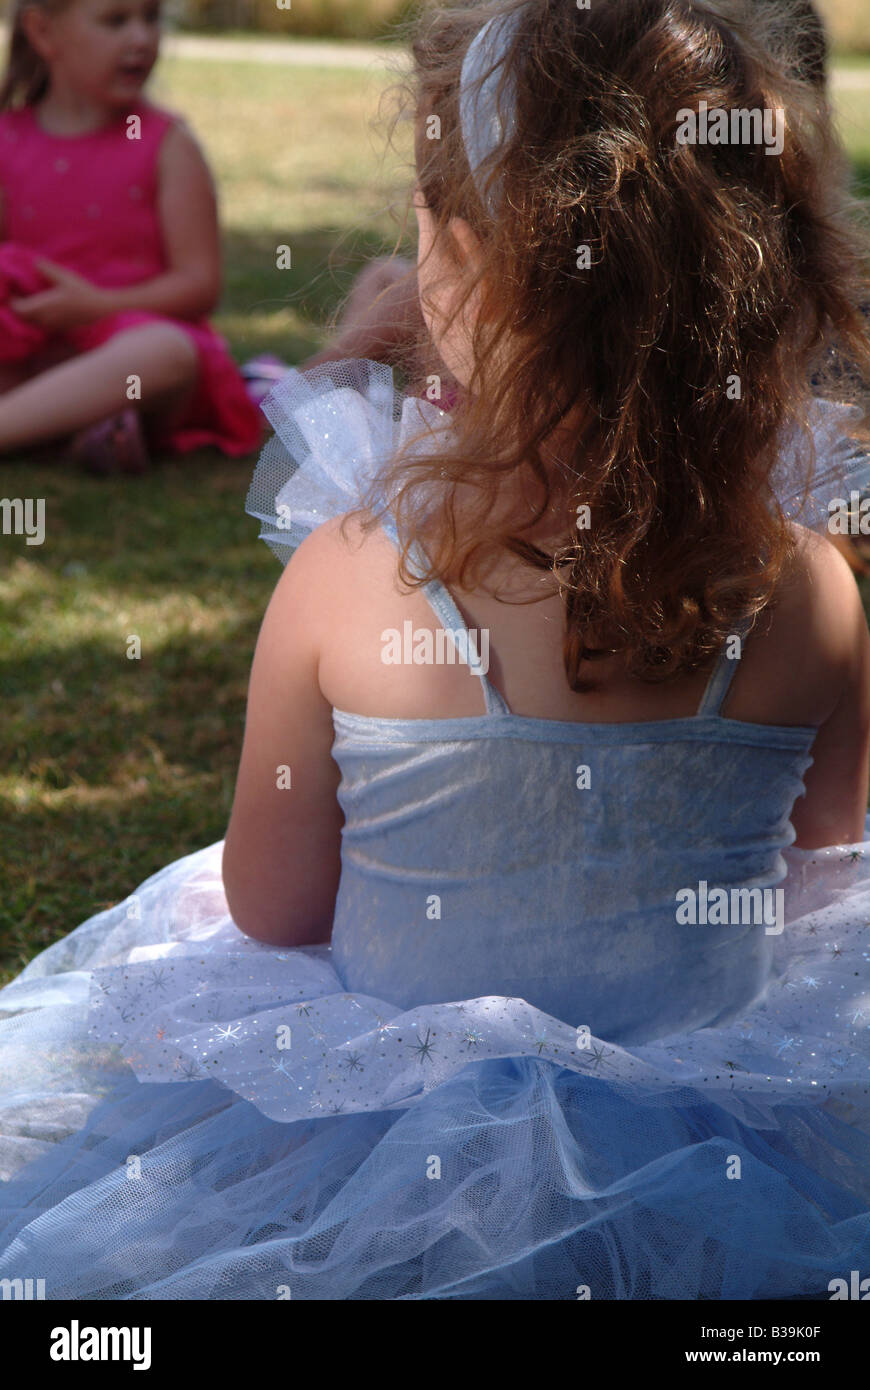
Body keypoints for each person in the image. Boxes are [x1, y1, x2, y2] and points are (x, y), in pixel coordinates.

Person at [2, 0, 870, 1301]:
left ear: (460, 259)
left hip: (368, 1150)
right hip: (714, 1148)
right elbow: (827, 845)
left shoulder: (350, 573)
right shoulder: (811, 588)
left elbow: (274, 905)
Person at [0, 0, 261, 473]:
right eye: (116, 21)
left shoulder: (167, 144)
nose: (141, 39)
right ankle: (73, 430)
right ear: (42, 32)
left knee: (166, 353)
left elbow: (199, 285)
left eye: (151, 18)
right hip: (36, 348)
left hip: (135, 351)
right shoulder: (7, 140)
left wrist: (94, 307)